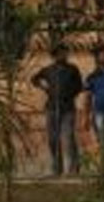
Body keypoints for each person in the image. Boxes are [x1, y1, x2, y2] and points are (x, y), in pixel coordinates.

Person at [30, 45, 83, 176]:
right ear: (54, 56)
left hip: (68, 108)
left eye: (65, 53)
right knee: (53, 139)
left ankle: (73, 168)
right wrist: (44, 87)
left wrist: (69, 94)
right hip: (52, 108)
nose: (63, 56)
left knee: (69, 138)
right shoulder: (49, 70)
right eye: (60, 54)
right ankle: (56, 167)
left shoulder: (72, 69)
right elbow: (34, 79)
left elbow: (79, 86)